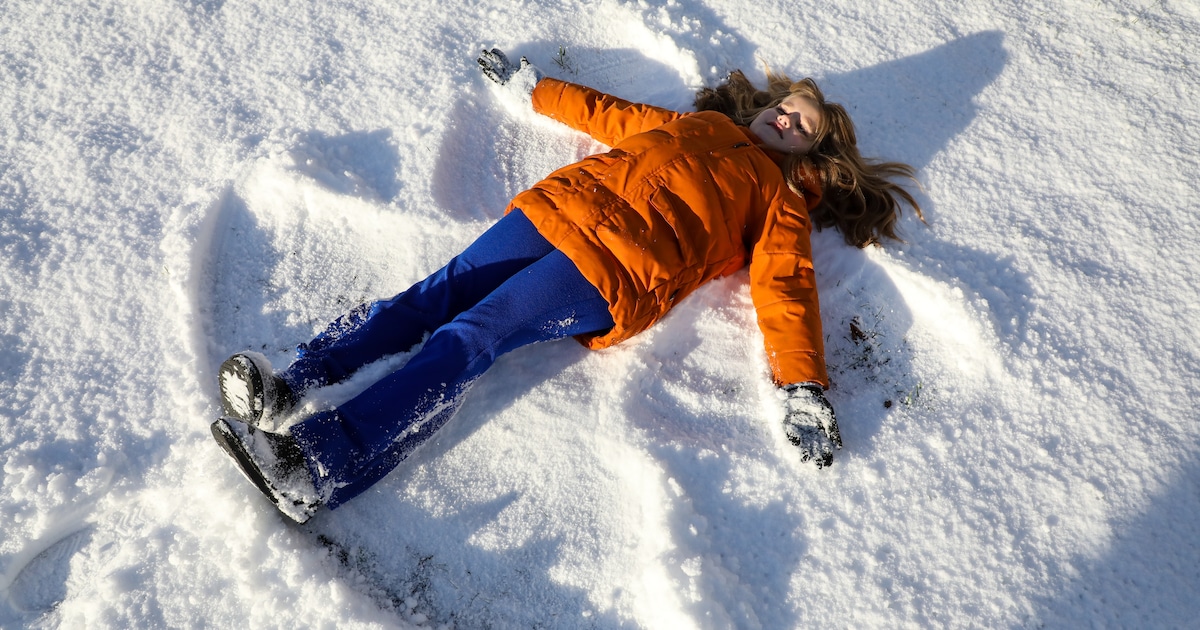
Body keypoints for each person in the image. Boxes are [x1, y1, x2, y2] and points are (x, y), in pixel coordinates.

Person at [210, 49, 923, 523]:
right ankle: (296, 383)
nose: (788, 116)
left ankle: (319, 464)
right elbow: (610, 117)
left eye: (804, 125)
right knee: (433, 295)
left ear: (811, 151)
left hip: (612, 268)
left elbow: (786, 287)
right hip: (551, 213)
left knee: (473, 335)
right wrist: (534, 87)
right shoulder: (699, 123)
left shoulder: (779, 201)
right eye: (788, 105)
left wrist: (802, 384)